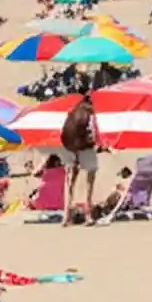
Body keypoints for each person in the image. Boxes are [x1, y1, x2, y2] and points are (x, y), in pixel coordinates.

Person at [59, 93, 99, 226]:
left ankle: (66, 215)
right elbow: (94, 132)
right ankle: (88, 213)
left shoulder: (72, 112)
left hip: (70, 147)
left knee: (70, 181)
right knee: (89, 179)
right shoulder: (91, 113)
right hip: (86, 147)